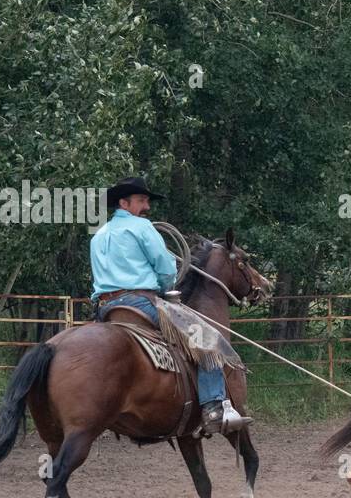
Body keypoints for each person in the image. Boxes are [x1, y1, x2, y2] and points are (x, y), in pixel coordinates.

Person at [90, 176, 250, 435]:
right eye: (142, 200)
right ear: (123, 202)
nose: (147, 207)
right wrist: (167, 288)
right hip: (142, 303)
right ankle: (213, 407)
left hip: (107, 308)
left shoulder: (98, 235)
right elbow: (165, 268)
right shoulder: (143, 229)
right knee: (208, 338)